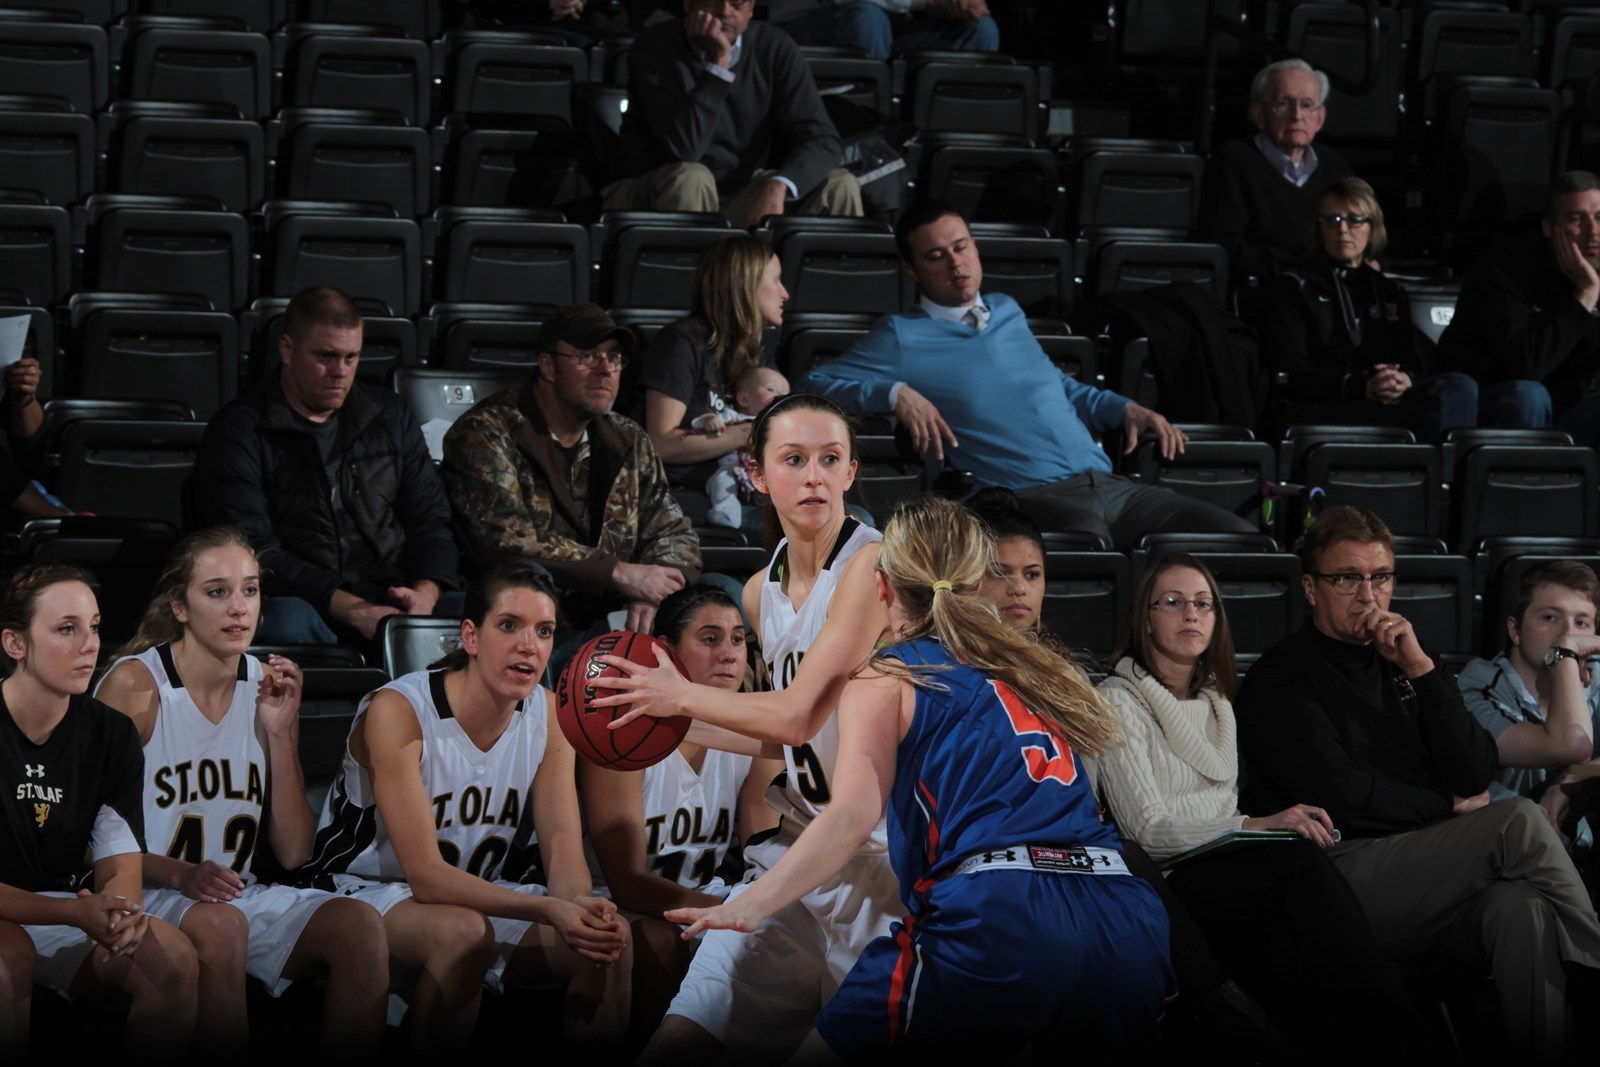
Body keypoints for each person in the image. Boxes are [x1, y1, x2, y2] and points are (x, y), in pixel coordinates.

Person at [667, 496, 1173, 1059]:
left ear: (880, 588)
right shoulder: (1046, 671)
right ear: (978, 585)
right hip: (1123, 911)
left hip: (1002, 909)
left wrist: (753, 903)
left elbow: (853, 815)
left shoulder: (889, 675)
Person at [589, 393, 902, 1064]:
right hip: (801, 853)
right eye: (793, 460)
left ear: (851, 472)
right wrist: (660, 714)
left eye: (829, 459)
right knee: (680, 1037)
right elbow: (792, 737)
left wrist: (680, 694)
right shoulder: (761, 589)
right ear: (755, 475)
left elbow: (792, 712)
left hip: (882, 868)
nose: (813, 475)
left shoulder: (873, 568)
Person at [1235, 505, 1600, 1056]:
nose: (1368, 596)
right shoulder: (1281, 678)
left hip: (1424, 875)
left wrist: (1423, 672)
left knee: (1519, 911)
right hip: (1333, 878)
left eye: (1380, 578)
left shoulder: (1405, 661)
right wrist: (1445, 806)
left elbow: (1475, 769)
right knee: (1518, 819)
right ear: (1310, 588)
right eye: (1347, 579)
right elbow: (1341, 796)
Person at [1096, 553, 1422, 1057]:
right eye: (1173, 603)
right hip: (1168, 886)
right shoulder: (1118, 701)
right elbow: (1146, 831)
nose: (1191, 615)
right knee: (1290, 861)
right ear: (1145, 618)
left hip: (1223, 870)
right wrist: (1255, 824)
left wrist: (1255, 830)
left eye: (1204, 605)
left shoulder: (1219, 705)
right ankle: (1403, 1041)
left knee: (1298, 895)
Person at [798, 199, 1258, 549]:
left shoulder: (1006, 310)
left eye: (961, 247)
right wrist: (892, 391)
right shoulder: (901, 335)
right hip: (1028, 494)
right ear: (913, 271)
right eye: (936, 256)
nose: (956, 263)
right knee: (1090, 546)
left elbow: (1057, 387)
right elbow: (813, 385)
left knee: (1241, 540)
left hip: (1110, 483)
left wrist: (1127, 408)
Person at [304, 565, 631, 1055]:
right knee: (464, 933)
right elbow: (426, 878)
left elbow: (563, 846)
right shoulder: (400, 709)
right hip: (365, 891)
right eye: (509, 625)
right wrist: (549, 907)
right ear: (471, 637)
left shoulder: (548, 712)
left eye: (544, 632)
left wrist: (579, 905)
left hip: (479, 897)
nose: (529, 645)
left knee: (606, 943)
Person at [93, 528, 389, 1057]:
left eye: (250, 590)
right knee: (223, 926)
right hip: (150, 891)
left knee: (360, 926)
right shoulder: (136, 686)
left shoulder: (266, 684)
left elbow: (297, 850)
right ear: (179, 607)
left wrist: (278, 735)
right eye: (217, 592)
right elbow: (90, 838)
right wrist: (182, 873)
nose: (238, 608)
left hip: (233, 894)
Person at [0, 564, 198, 1057]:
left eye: (93, 626)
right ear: (15, 644)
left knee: (172, 959)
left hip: (69, 912)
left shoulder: (110, 733)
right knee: (8, 956)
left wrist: (120, 914)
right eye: (66, 628)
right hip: (26, 916)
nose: (89, 643)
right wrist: (73, 912)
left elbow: (119, 857)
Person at [194, 286, 461, 645]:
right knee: (288, 620)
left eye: (351, 358)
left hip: (392, 596)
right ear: (287, 350)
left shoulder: (390, 416)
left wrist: (425, 592)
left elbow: (430, 519)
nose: (340, 372)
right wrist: (350, 607)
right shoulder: (241, 429)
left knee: (489, 610)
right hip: (303, 600)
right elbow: (252, 550)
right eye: (326, 357)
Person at [441, 304, 702, 669]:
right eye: (587, 357)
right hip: (527, 621)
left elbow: (674, 532)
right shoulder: (488, 432)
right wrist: (618, 573)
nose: (606, 369)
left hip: (610, 613)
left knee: (716, 597)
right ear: (548, 366)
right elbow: (505, 539)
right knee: (534, 586)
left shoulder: (627, 437)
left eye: (614, 357)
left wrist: (655, 589)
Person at [581, 584, 782, 1040]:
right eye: (710, 639)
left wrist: (754, 906)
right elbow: (627, 883)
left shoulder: (754, 732)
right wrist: (728, 911)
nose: (731, 655)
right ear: (665, 652)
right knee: (664, 941)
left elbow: (760, 852)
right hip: (618, 906)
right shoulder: (620, 728)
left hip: (704, 900)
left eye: (738, 639)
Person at [607, 0, 863, 225]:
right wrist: (718, 63)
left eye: (737, 2)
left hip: (741, 192)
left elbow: (822, 139)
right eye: (712, 1)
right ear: (688, 4)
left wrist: (781, 184)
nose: (724, 11)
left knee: (840, 185)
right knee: (692, 177)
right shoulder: (654, 45)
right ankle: (688, 280)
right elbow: (684, 149)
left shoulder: (774, 46)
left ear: (751, 8)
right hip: (655, 190)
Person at [640, 236, 788, 539]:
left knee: (852, 520)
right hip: (685, 493)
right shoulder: (683, 343)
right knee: (823, 534)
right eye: (776, 280)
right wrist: (746, 433)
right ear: (745, 286)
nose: (785, 293)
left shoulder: (755, 349)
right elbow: (660, 443)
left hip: (742, 489)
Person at [1437, 171, 1600, 441]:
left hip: (1567, 409)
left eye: (1599, 218)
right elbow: (1528, 366)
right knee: (1530, 395)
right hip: (1493, 405)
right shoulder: (1503, 270)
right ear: (1549, 227)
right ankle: (1526, 481)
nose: (1592, 232)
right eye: (1576, 219)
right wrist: (1586, 293)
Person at [1263, 177, 1431, 436]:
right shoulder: (1294, 286)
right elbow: (1289, 371)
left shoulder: (1389, 291)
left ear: (1372, 227)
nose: (1343, 230)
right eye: (1332, 220)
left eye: (1354, 219)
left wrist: (1403, 379)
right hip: (1317, 405)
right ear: (1319, 230)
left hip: (1383, 401)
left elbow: (1410, 359)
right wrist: (1361, 387)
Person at [1457, 561, 1600, 847]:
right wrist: (1564, 657)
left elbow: (1584, 762)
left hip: (1580, 859)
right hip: (1506, 858)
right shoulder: (1478, 685)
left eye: (1581, 623)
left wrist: (1574, 777)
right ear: (1515, 630)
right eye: (1550, 618)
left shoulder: (1596, 676)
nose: (1568, 634)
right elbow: (1571, 744)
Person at [1200, 59, 1352, 285]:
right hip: (1262, 297)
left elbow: (1365, 234)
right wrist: (1310, 263)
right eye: (1283, 103)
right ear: (1259, 114)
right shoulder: (1232, 160)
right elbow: (1223, 250)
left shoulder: (1334, 164)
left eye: (1307, 105)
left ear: (1320, 118)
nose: (1297, 116)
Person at [967, 487, 1072, 659]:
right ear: (968, 579)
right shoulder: (942, 664)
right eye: (999, 573)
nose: (1019, 588)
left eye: (1032, 575)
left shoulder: (1062, 664)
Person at [767, 0, 997, 61]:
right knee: (867, 20)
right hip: (807, 23)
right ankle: (868, 130)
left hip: (898, 35)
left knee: (980, 30)